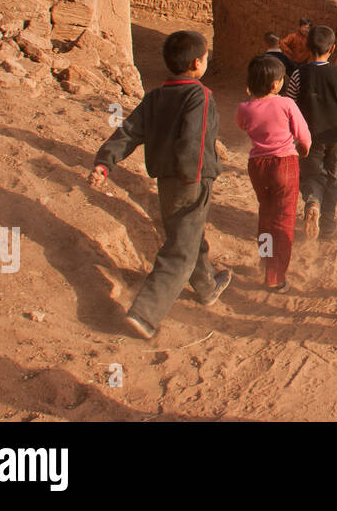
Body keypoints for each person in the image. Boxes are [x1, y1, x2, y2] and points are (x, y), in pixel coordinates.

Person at [88, 30, 231, 339]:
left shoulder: (154, 97)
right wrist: (195, 176)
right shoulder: (200, 96)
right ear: (197, 63)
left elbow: (128, 131)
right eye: (206, 58)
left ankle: (206, 286)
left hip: (167, 180)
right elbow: (196, 137)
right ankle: (145, 314)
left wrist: (104, 162)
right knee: (180, 249)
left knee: (189, 233)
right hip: (190, 180)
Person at [236, 53, 312, 293]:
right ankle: (275, 276)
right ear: (276, 84)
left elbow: (242, 125)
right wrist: (304, 150)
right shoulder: (286, 104)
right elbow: (303, 135)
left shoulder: (244, 108)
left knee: (266, 215)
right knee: (284, 220)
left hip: (257, 166)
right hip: (284, 164)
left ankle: (266, 259)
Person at [282, 24, 337, 240]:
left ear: (307, 45)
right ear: (333, 48)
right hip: (336, 134)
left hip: (309, 135)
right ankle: (328, 223)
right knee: (333, 176)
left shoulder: (298, 74)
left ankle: (313, 201)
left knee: (311, 173)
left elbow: (289, 105)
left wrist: (292, 133)